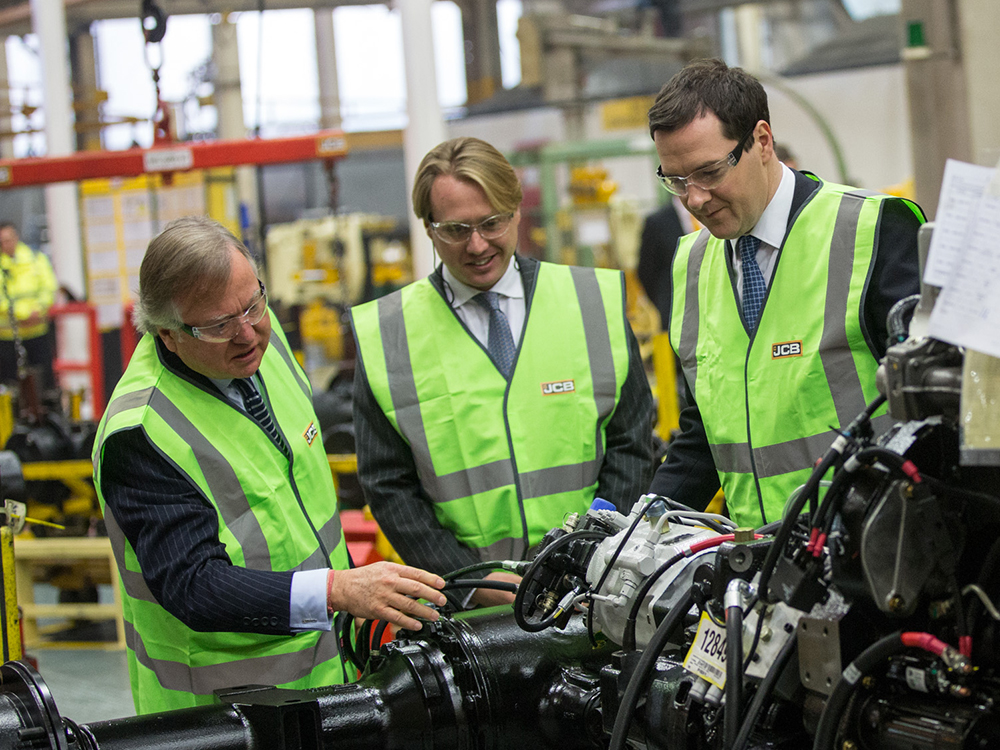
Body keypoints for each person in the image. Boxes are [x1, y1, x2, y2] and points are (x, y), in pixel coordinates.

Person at [93, 216, 447, 714]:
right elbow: (193, 585)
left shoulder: (263, 337)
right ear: (167, 335)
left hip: (329, 674)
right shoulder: (142, 433)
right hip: (230, 710)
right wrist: (336, 590)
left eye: (252, 304)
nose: (247, 334)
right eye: (219, 326)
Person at [351, 137, 654, 607]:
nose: (477, 245)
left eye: (491, 223)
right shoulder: (389, 333)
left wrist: (592, 554)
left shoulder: (591, 301)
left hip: (593, 587)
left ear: (516, 212)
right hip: (470, 606)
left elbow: (631, 441)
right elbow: (388, 485)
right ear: (428, 228)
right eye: (455, 230)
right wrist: (470, 582)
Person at [646, 59, 924, 528]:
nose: (694, 199)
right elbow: (705, 432)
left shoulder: (870, 230)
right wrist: (639, 527)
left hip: (873, 547)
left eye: (709, 172)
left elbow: (931, 405)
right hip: (759, 559)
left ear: (761, 141)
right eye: (676, 181)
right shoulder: (691, 264)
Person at [0, 223, 58, 389]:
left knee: (44, 383)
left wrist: (38, 311)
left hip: (38, 332)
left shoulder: (36, 258)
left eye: (8, 239)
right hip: (8, 337)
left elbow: (49, 288)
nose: (6, 244)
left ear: (16, 237)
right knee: (11, 386)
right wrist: (23, 315)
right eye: (2, 241)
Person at [637, 198, 689, 328]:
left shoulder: (715, 215)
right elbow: (646, 271)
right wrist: (663, 303)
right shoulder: (657, 222)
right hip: (675, 313)